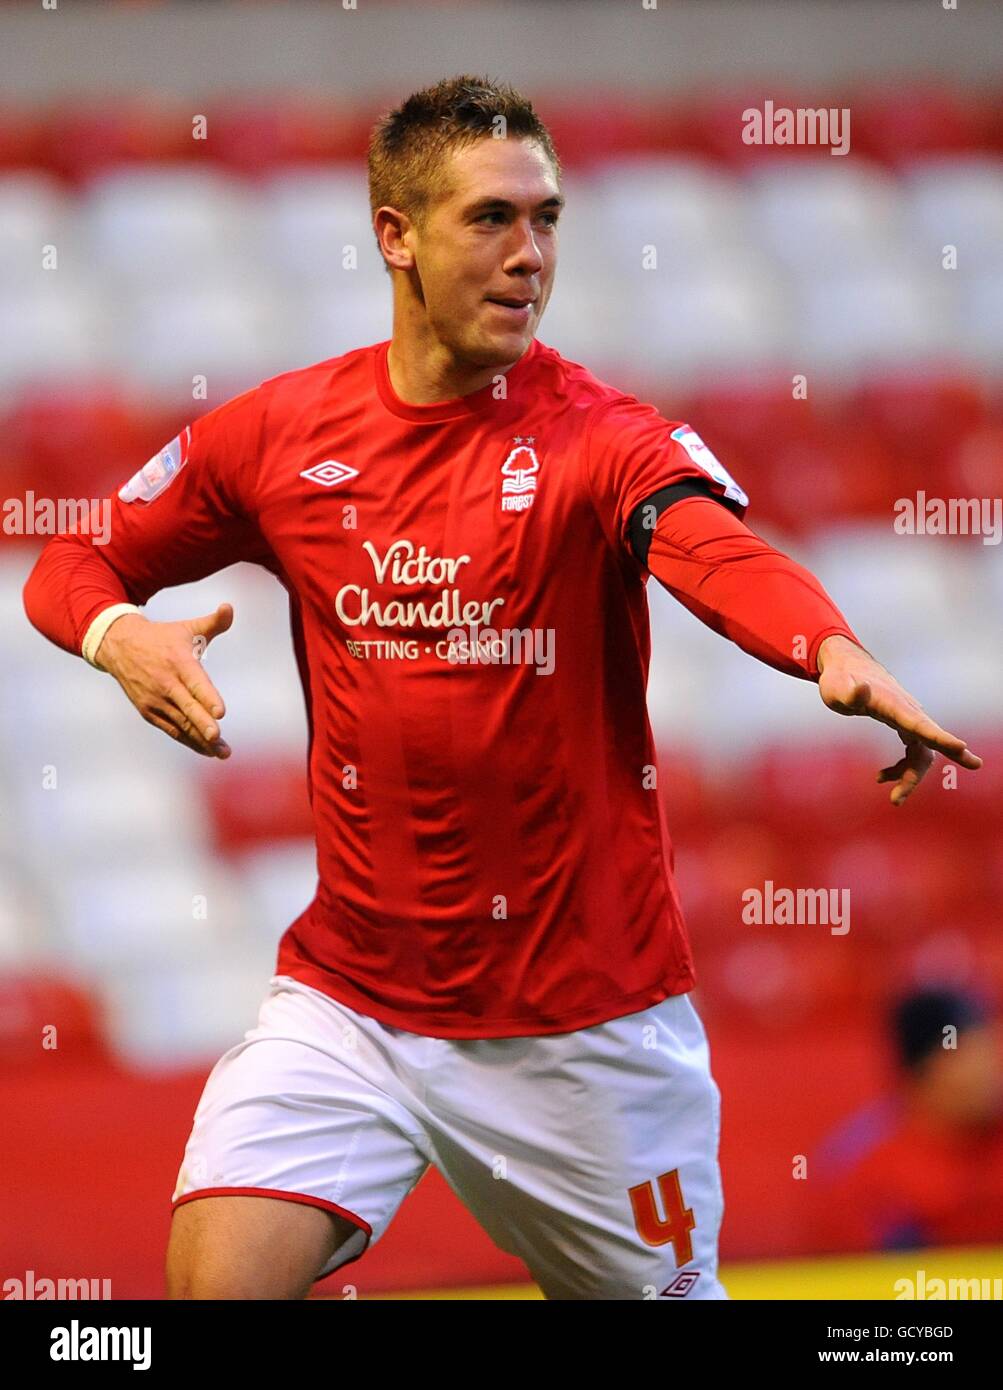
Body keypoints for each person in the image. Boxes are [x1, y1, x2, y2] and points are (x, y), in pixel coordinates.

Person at [22, 75, 982, 1300]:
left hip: (586, 1035)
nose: (530, 254)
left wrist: (825, 647)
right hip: (353, 1005)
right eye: (490, 219)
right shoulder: (277, 435)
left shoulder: (594, 432)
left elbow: (708, 544)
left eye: (548, 219)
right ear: (395, 235)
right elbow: (72, 558)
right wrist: (118, 635)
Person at [813, 988, 1003, 1252]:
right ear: (921, 1072)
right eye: (968, 1058)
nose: (989, 1072)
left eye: (989, 1053)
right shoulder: (861, 1171)